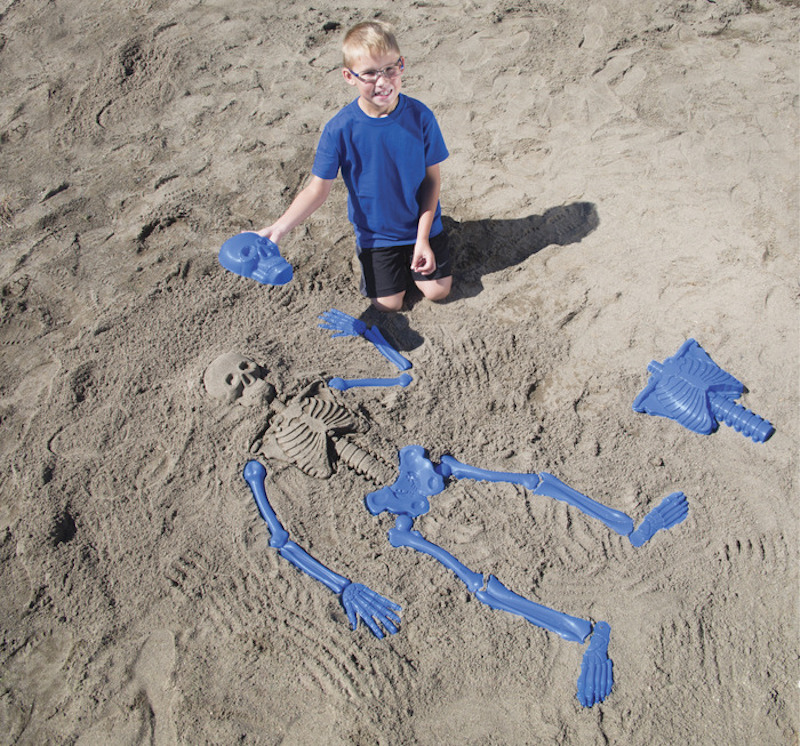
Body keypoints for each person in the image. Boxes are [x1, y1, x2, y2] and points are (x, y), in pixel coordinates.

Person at [255, 20, 452, 312]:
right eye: (370, 74)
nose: (383, 81)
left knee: (438, 291)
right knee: (389, 305)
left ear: (402, 64)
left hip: (421, 226)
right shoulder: (339, 129)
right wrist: (279, 228)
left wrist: (422, 238)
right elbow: (317, 190)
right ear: (349, 76)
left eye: (390, 69)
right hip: (377, 235)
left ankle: (427, 244)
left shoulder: (421, 117)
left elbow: (431, 181)